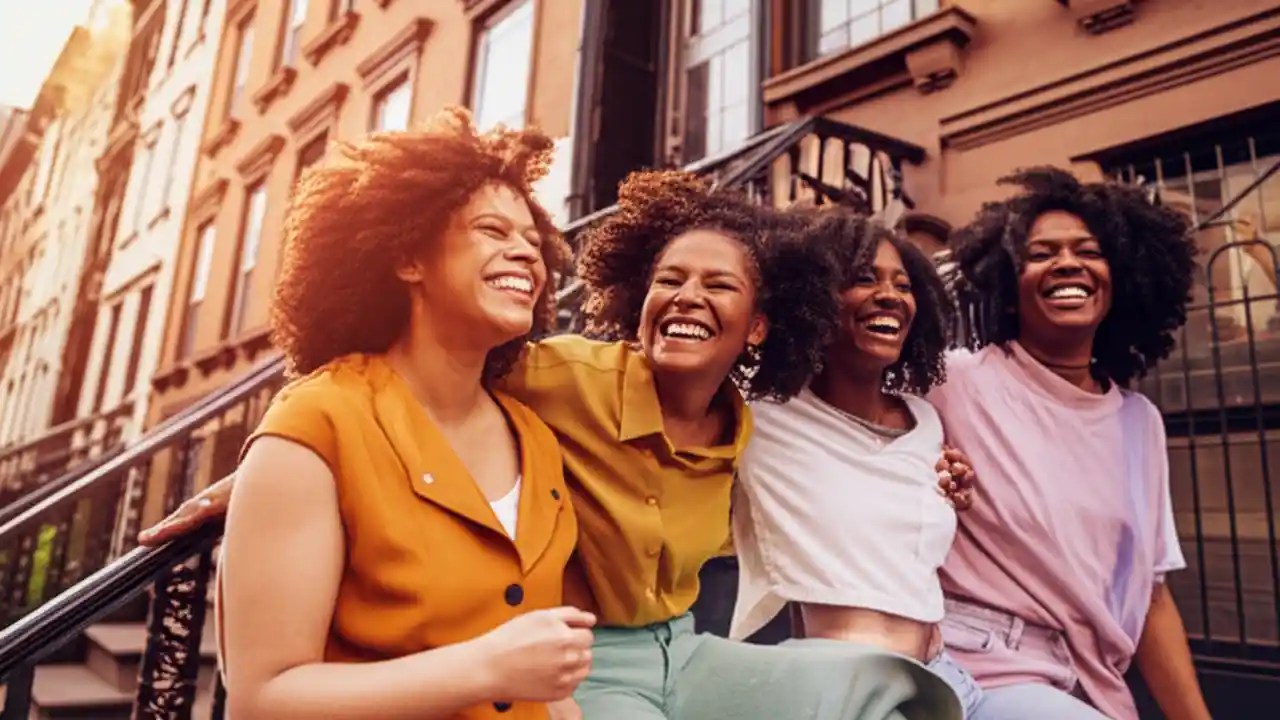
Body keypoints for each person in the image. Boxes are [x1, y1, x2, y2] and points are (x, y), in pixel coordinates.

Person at [147, 171, 958, 719]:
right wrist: (254, 479)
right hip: (579, 656)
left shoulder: (754, 427)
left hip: (687, 649)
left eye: (719, 287)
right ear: (638, 301)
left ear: (758, 327)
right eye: (670, 280)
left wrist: (942, 478)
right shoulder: (556, 377)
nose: (686, 297)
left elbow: (860, 460)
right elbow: (413, 398)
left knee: (894, 690)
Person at [216, 109, 594, 719]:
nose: (526, 255)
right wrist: (484, 668)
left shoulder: (535, 438)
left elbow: (546, 680)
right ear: (408, 259)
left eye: (533, 240)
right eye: (494, 231)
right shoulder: (317, 425)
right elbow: (262, 702)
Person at [926, 167, 1211, 720]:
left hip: (1095, 687)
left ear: (1121, 278)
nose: (1067, 263)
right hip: (979, 668)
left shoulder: (1139, 423)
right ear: (1009, 287)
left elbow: (1151, 598)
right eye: (1041, 253)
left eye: (1089, 250)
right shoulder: (954, 382)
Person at [729, 210, 969, 717]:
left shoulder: (925, 421)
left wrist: (953, 491)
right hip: (846, 688)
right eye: (864, 279)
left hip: (946, 679)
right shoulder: (760, 422)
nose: (890, 295)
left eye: (903, 285)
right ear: (811, 299)